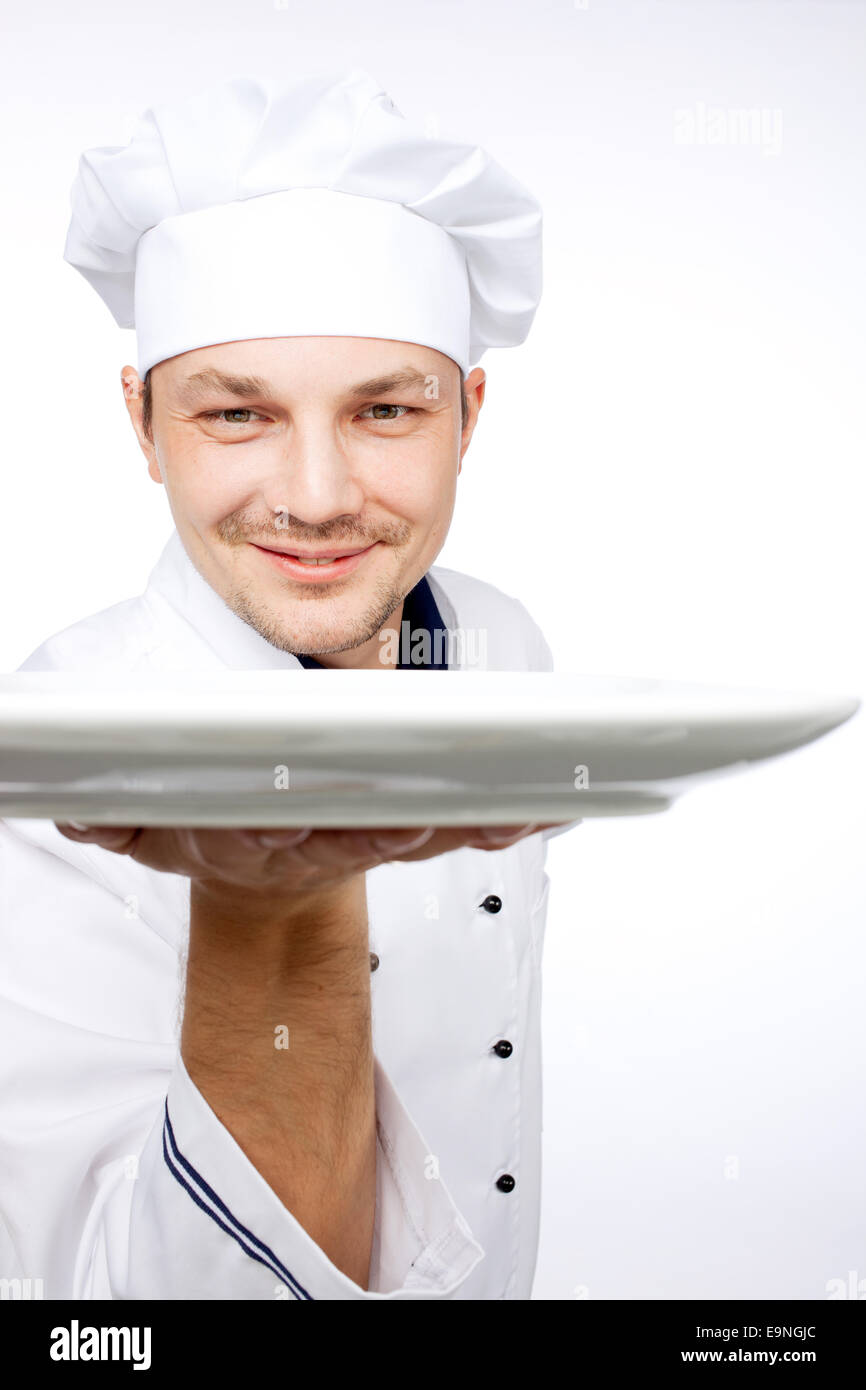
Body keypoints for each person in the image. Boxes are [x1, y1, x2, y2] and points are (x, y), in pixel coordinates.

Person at [0, 70, 580, 1301]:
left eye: (383, 410)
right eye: (234, 416)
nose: (314, 496)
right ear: (142, 425)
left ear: (467, 417)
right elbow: (93, 1301)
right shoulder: (56, 746)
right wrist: (273, 913)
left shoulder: (498, 643)